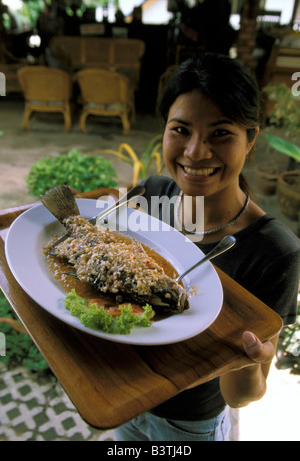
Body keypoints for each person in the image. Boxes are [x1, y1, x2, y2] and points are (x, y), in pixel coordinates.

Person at [114, 53, 300, 441]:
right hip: (125, 401)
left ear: (250, 139)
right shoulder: (151, 195)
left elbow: (243, 396)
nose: (196, 152)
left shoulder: (274, 252)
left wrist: (250, 362)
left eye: (220, 133)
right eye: (180, 129)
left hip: (187, 425)